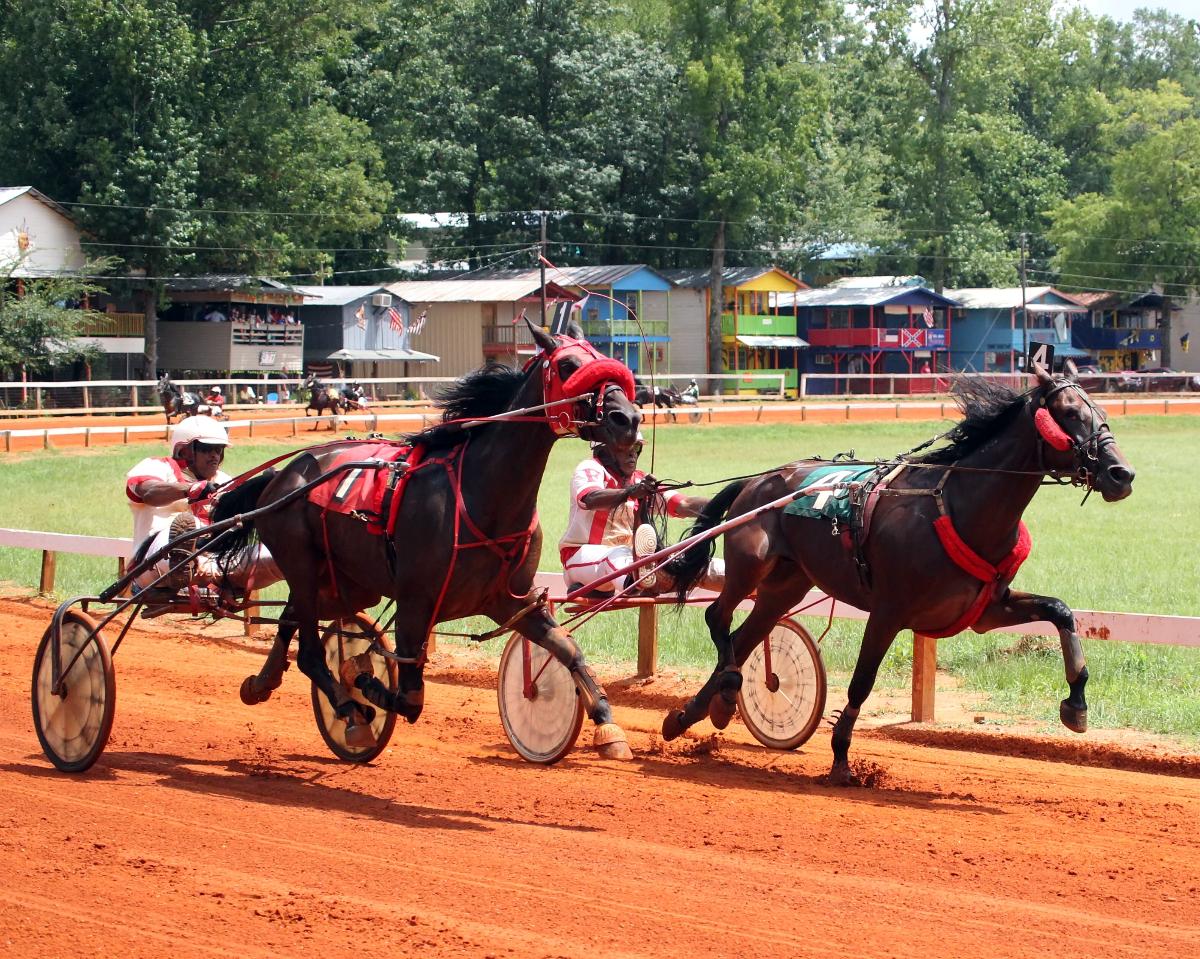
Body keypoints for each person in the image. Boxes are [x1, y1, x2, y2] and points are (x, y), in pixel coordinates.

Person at [125, 416, 282, 595]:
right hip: (153, 564)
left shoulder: (224, 480)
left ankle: (196, 573)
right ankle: (182, 563)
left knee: (279, 553)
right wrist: (190, 489)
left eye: (219, 449)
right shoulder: (157, 466)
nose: (215, 455)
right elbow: (149, 492)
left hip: (216, 562)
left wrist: (269, 486)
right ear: (183, 451)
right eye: (207, 449)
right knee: (187, 526)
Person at [559, 433, 723, 595]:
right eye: (625, 447)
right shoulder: (591, 468)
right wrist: (631, 492)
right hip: (580, 558)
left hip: (632, 561)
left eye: (636, 447)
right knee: (621, 555)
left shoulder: (639, 480)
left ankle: (741, 579)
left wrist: (727, 504)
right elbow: (590, 499)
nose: (632, 453)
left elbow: (684, 505)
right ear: (604, 450)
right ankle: (644, 582)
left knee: (694, 561)